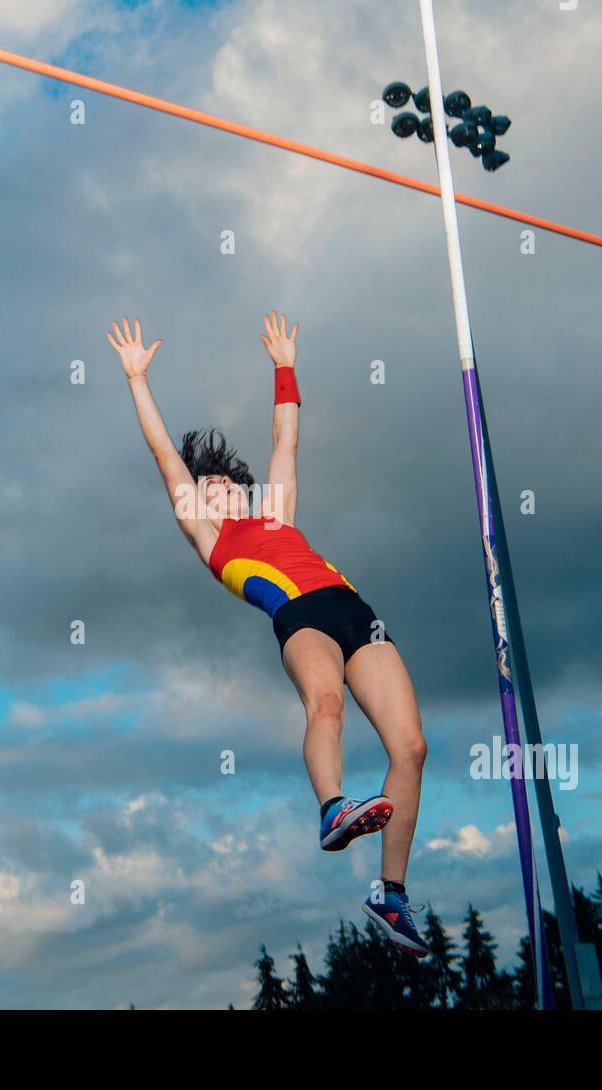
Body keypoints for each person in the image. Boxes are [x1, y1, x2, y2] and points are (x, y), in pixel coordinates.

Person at [106, 312, 431, 958]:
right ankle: (332, 807)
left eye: (226, 481)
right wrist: (138, 379)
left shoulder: (275, 513)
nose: (219, 487)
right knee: (327, 704)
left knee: (413, 747)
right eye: (209, 486)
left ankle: (390, 896)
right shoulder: (209, 534)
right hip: (300, 617)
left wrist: (285, 365)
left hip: (354, 607)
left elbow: (286, 440)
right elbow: (165, 455)